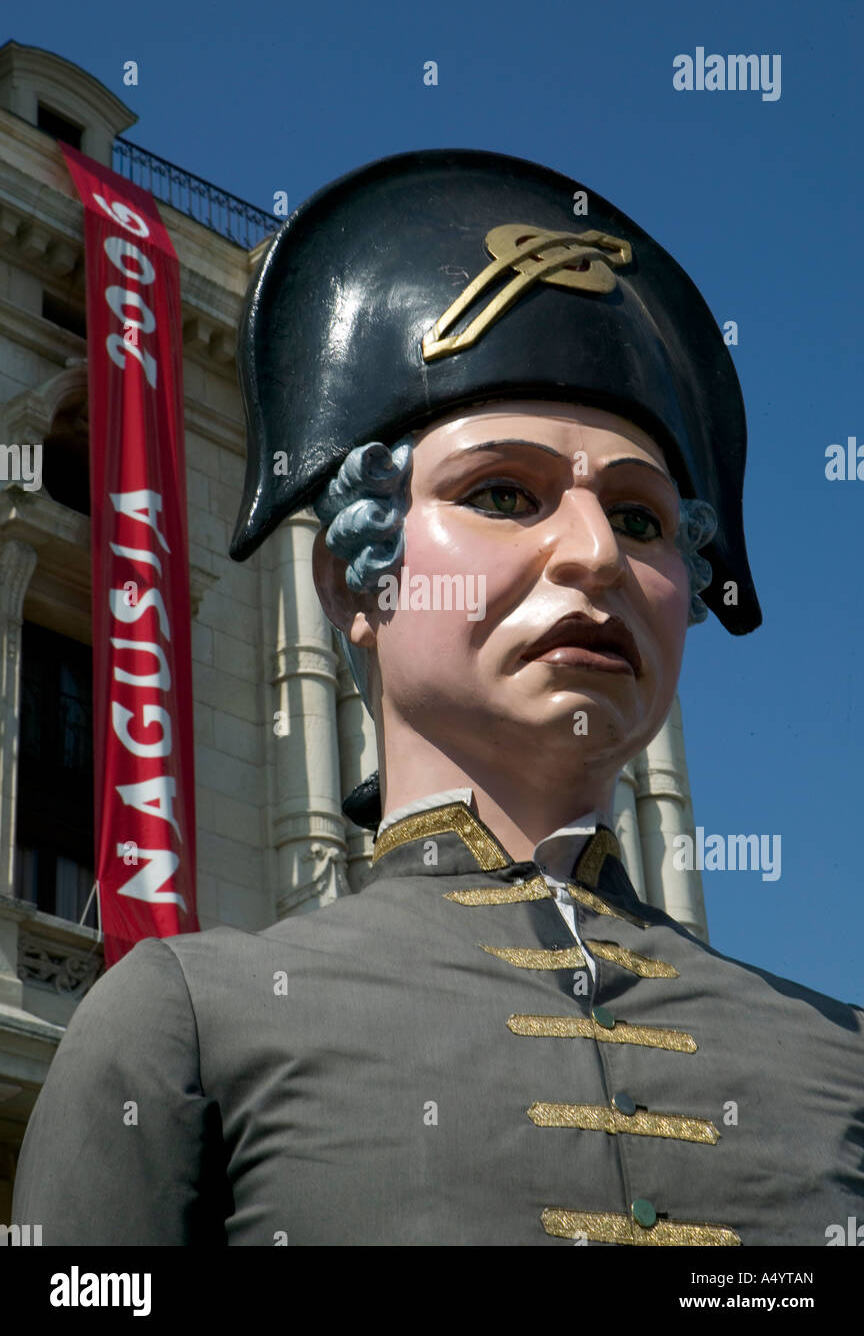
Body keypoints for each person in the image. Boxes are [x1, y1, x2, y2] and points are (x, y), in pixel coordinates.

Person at [13, 150, 863, 1247]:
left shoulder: (839, 1062)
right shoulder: (182, 1033)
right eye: (504, 492)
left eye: (645, 518)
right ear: (350, 578)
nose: (597, 553)